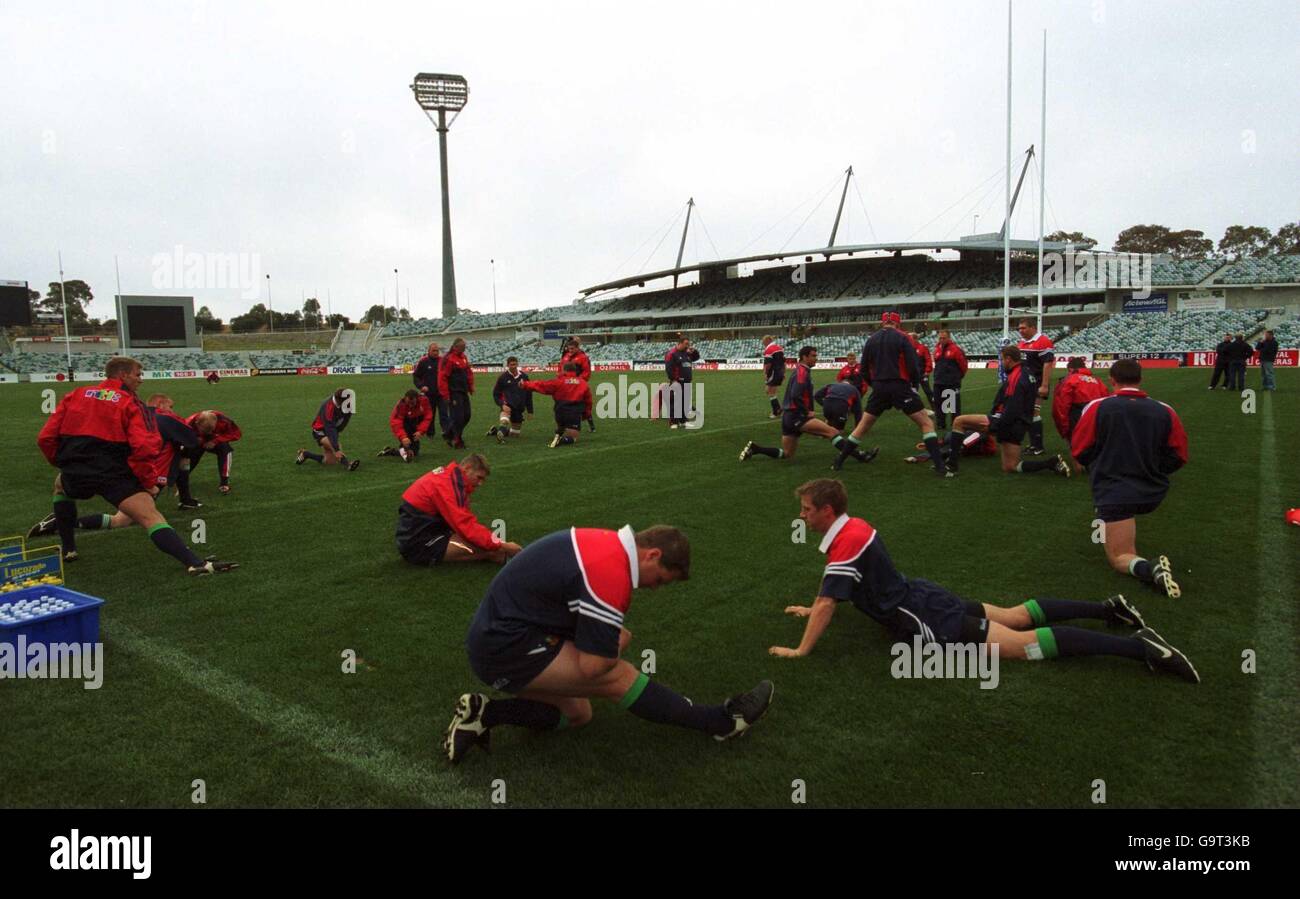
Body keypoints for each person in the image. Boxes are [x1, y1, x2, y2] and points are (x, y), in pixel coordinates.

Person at [766, 479, 1198, 682]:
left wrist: (802, 649)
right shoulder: (853, 527)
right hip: (923, 594)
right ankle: (1108, 609)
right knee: (1013, 615)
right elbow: (834, 592)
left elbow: (828, 601)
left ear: (826, 511)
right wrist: (814, 606)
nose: (802, 516)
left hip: (926, 617)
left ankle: (1142, 648)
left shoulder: (845, 544)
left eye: (806, 509)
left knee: (1023, 647)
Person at [443, 524, 774, 762]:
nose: (655, 589)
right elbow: (593, 667)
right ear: (652, 554)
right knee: (614, 674)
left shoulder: (606, 543)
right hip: (503, 647)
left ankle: (485, 713)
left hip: (508, 634)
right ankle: (721, 722)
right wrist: (618, 642)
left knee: (578, 714)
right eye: (660, 580)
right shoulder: (610, 573)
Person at [34, 356, 236, 575]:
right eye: (138, 375)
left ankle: (68, 548)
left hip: (75, 469)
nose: (141, 380)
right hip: (114, 472)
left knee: (60, 488)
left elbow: (45, 438)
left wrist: (64, 462)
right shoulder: (132, 404)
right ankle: (195, 563)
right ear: (123, 375)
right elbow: (145, 447)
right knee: (151, 516)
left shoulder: (75, 395)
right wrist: (148, 482)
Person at [1071, 358, 1187, 599]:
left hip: (1115, 490)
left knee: (1119, 558)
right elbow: (1179, 454)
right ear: (1140, 379)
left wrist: (1100, 465)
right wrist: (1153, 469)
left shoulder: (1097, 407)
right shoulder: (1164, 409)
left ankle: (1150, 568)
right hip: (1152, 489)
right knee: (1116, 522)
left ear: (1111, 380)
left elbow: (1080, 449)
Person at [28, 391, 205, 535]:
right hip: (148, 476)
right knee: (122, 520)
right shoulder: (165, 419)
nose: (172, 410)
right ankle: (62, 523)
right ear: (160, 404)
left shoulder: (136, 417)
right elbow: (192, 443)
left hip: (122, 470)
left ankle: (186, 501)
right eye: (170, 406)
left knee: (125, 517)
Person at [831, 312, 946, 475]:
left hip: (879, 388)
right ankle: (940, 467)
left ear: (882, 323)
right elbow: (913, 366)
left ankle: (839, 461)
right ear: (898, 324)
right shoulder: (903, 337)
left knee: (862, 427)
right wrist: (913, 384)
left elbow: (863, 369)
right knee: (926, 423)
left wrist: (874, 385)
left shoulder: (871, 340)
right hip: (900, 386)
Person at [941, 346, 1070, 477]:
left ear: (1008, 359)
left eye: (1002, 360)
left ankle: (951, 465)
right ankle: (1050, 463)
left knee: (959, 421)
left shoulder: (1017, 376)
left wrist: (998, 426)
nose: (1002, 363)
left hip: (1008, 422)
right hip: (1020, 424)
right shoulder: (1027, 372)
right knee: (1010, 466)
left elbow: (1013, 406)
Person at [741, 346, 876, 464]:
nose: (816, 358)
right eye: (813, 356)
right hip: (797, 416)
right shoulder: (802, 372)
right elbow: (795, 395)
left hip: (788, 417)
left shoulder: (800, 370)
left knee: (787, 454)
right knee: (832, 432)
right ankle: (861, 456)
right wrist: (806, 411)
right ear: (804, 357)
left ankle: (756, 449)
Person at [395, 454, 522, 567]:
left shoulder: (450, 478)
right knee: (490, 549)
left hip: (428, 533)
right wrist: (502, 545)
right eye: (479, 477)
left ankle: (505, 557)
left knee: (483, 543)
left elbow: (464, 522)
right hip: (418, 545)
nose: (480, 483)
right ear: (466, 468)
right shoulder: (446, 485)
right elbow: (465, 525)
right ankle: (510, 562)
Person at [524, 363, 593, 448]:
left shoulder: (558, 381)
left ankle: (559, 433)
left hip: (559, 410)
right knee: (573, 438)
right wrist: (587, 414)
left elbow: (542, 385)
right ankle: (560, 440)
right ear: (575, 371)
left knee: (561, 425)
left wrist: (525, 385)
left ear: (564, 370)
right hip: (574, 412)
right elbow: (588, 401)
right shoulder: (583, 383)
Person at [1015, 317, 1055, 455]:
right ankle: (1033, 444)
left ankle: (1038, 446)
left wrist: (1044, 385)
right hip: (1025, 384)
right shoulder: (1022, 343)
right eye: (1019, 328)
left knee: (1034, 412)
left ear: (1033, 328)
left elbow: (1048, 364)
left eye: (1023, 328)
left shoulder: (1043, 341)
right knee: (1027, 413)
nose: (1021, 331)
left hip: (1037, 384)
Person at [296, 387, 360, 470]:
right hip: (320, 431)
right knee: (335, 447)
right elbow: (330, 428)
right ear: (339, 401)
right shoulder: (328, 407)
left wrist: (339, 430)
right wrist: (336, 449)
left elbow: (346, 418)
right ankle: (348, 464)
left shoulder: (346, 402)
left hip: (331, 429)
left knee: (329, 462)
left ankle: (306, 454)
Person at [1051, 357, 1111, 442]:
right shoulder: (1098, 381)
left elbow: (1060, 407)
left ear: (1070, 369)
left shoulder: (1069, 380)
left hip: (1077, 419)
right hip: (1096, 421)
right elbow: (1107, 403)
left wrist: (1064, 429)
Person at [184, 408, 241, 494]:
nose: (209, 432)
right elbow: (180, 438)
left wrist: (215, 440)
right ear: (197, 424)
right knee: (189, 455)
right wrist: (196, 440)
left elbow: (236, 434)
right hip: (195, 441)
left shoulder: (224, 420)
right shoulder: (189, 422)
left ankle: (224, 483)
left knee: (225, 449)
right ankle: (180, 480)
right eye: (205, 430)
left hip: (215, 441)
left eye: (211, 430)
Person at [379, 389, 433, 462]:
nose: (410, 405)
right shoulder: (401, 405)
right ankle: (404, 451)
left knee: (415, 451)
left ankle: (390, 451)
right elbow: (396, 422)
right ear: (405, 398)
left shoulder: (424, 401)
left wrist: (421, 431)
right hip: (404, 421)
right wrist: (403, 437)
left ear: (417, 399)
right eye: (408, 403)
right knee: (407, 445)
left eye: (412, 403)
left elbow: (428, 416)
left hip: (415, 420)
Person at [438, 338, 474, 448]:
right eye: (462, 347)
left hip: (463, 391)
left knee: (467, 415)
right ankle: (457, 440)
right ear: (455, 347)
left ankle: (448, 433)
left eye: (465, 347)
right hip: (453, 392)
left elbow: (468, 372)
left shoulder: (463, 357)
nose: (464, 349)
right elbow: (442, 377)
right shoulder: (448, 359)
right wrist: (445, 394)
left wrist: (470, 386)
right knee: (457, 417)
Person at [488, 356, 534, 443]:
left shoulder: (524, 376)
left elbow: (529, 394)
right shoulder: (503, 377)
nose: (513, 366)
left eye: (515, 364)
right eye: (511, 365)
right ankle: (501, 434)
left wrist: (530, 411)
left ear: (517, 364)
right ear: (507, 365)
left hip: (519, 408)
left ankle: (495, 431)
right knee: (505, 420)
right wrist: (502, 404)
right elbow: (496, 394)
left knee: (515, 434)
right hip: (507, 406)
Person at [930, 329, 968, 432]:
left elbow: (963, 366)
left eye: (944, 338)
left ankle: (956, 425)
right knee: (939, 405)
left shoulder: (956, 350)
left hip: (951, 383)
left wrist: (956, 378)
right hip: (938, 382)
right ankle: (941, 424)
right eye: (940, 338)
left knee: (952, 406)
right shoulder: (937, 349)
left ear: (949, 338)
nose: (941, 340)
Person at [413, 342, 451, 439]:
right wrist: (421, 386)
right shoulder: (423, 362)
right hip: (429, 395)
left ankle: (446, 432)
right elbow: (416, 376)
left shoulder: (443, 361)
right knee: (430, 415)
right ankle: (430, 433)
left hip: (441, 394)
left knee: (444, 414)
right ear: (428, 351)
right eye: (433, 350)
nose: (436, 352)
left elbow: (448, 376)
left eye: (437, 350)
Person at [663, 335, 700, 429]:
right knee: (675, 402)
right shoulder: (672, 353)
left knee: (685, 402)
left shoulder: (686, 353)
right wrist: (674, 380)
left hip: (687, 382)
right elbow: (669, 368)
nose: (688, 346)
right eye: (686, 344)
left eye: (688, 344)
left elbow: (696, 357)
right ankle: (673, 422)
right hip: (677, 382)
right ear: (680, 343)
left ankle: (683, 421)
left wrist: (694, 351)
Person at [560, 337, 596, 431]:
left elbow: (586, 372)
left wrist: (579, 382)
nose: (570, 350)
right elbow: (560, 369)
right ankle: (567, 425)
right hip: (566, 385)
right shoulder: (566, 356)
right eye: (569, 348)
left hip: (578, 386)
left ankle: (591, 426)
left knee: (583, 406)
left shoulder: (583, 357)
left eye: (572, 348)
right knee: (565, 405)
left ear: (577, 348)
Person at [907, 329, 935, 408]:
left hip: (923, 374)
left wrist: (927, 371)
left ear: (915, 339)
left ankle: (934, 405)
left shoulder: (923, 348)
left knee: (927, 391)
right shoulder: (908, 349)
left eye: (910, 338)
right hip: (913, 375)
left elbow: (928, 360)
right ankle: (914, 407)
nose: (908, 340)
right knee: (913, 391)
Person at [761, 335, 786, 418]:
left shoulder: (769, 349)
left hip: (773, 373)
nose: (763, 343)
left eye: (763, 341)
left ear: (767, 341)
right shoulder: (779, 348)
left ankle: (776, 411)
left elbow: (768, 364)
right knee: (771, 391)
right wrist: (783, 373)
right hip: (779, 372)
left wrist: (765, 373)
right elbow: (783, 363)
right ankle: (778, 409)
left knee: (769, 391)